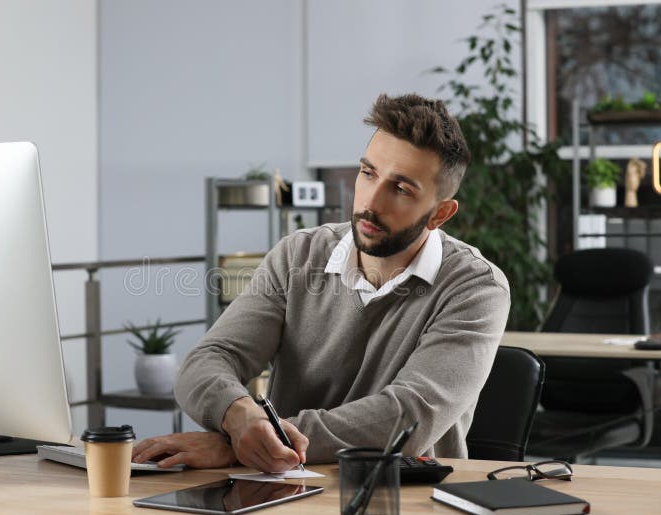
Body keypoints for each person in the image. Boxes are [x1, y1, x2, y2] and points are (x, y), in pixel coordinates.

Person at [132, 93, 510, 473]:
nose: (371, 201)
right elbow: (208, 360)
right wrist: (239, 417)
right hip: (283, 489)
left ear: (440, 214)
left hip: (405, 503)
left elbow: (407, 417)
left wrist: (250, 444)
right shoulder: (298, 255)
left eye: (401, 189)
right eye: (368, 173)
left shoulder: (476, 287)